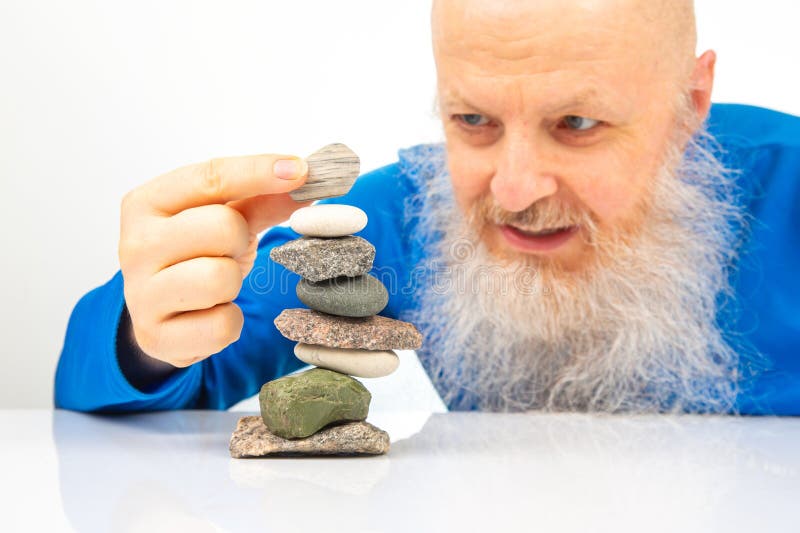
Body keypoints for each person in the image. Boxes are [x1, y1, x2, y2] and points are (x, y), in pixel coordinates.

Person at [55, 0, 800, 414]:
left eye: (577, 124)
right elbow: (111, 383)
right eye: (473, 120)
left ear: (688, 104)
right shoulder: (406, 216)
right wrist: (149, 325)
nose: (513, 190)